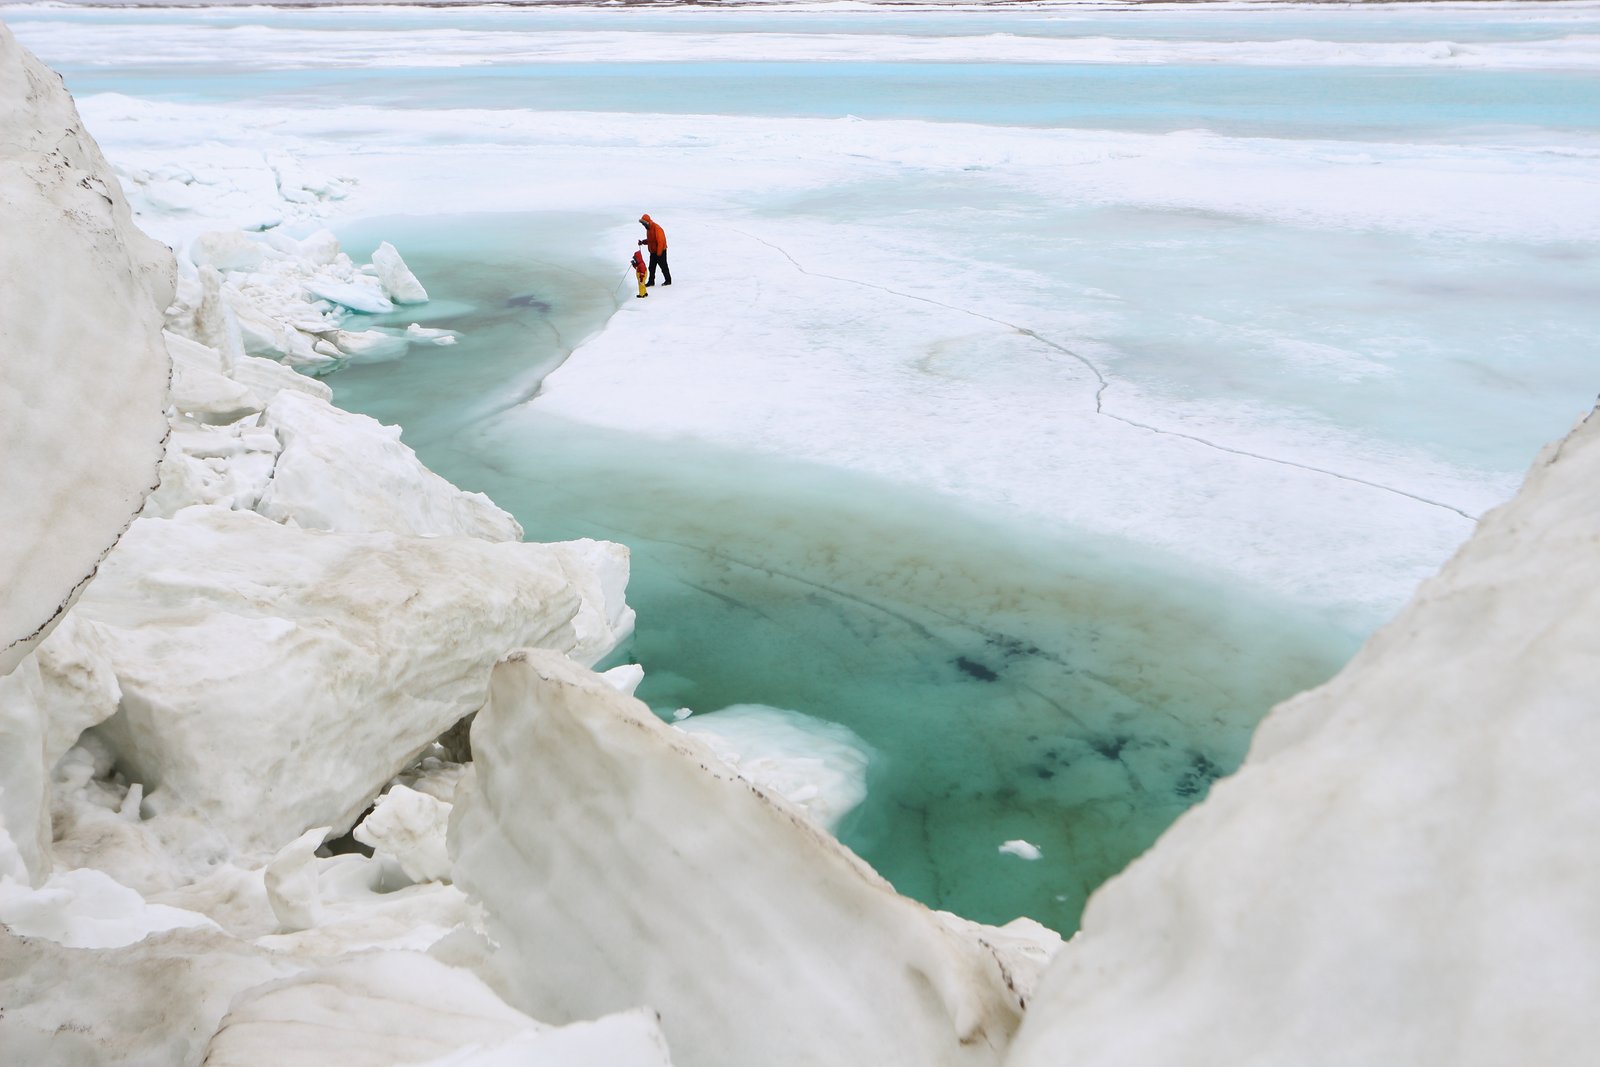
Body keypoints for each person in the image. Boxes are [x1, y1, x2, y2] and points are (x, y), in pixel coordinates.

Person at [637, 214, 671, 287]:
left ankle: (668, 280)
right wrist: (642, 242)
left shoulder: (657, 228)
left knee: (663, 266)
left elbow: (660, 241)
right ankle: (651, 281)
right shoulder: (649, 229)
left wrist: (659, 253)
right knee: (651, 267)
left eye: (643, 223)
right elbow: (650, 240)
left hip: (661, 251)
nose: (643, 225)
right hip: (653, 252)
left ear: (647, 222)